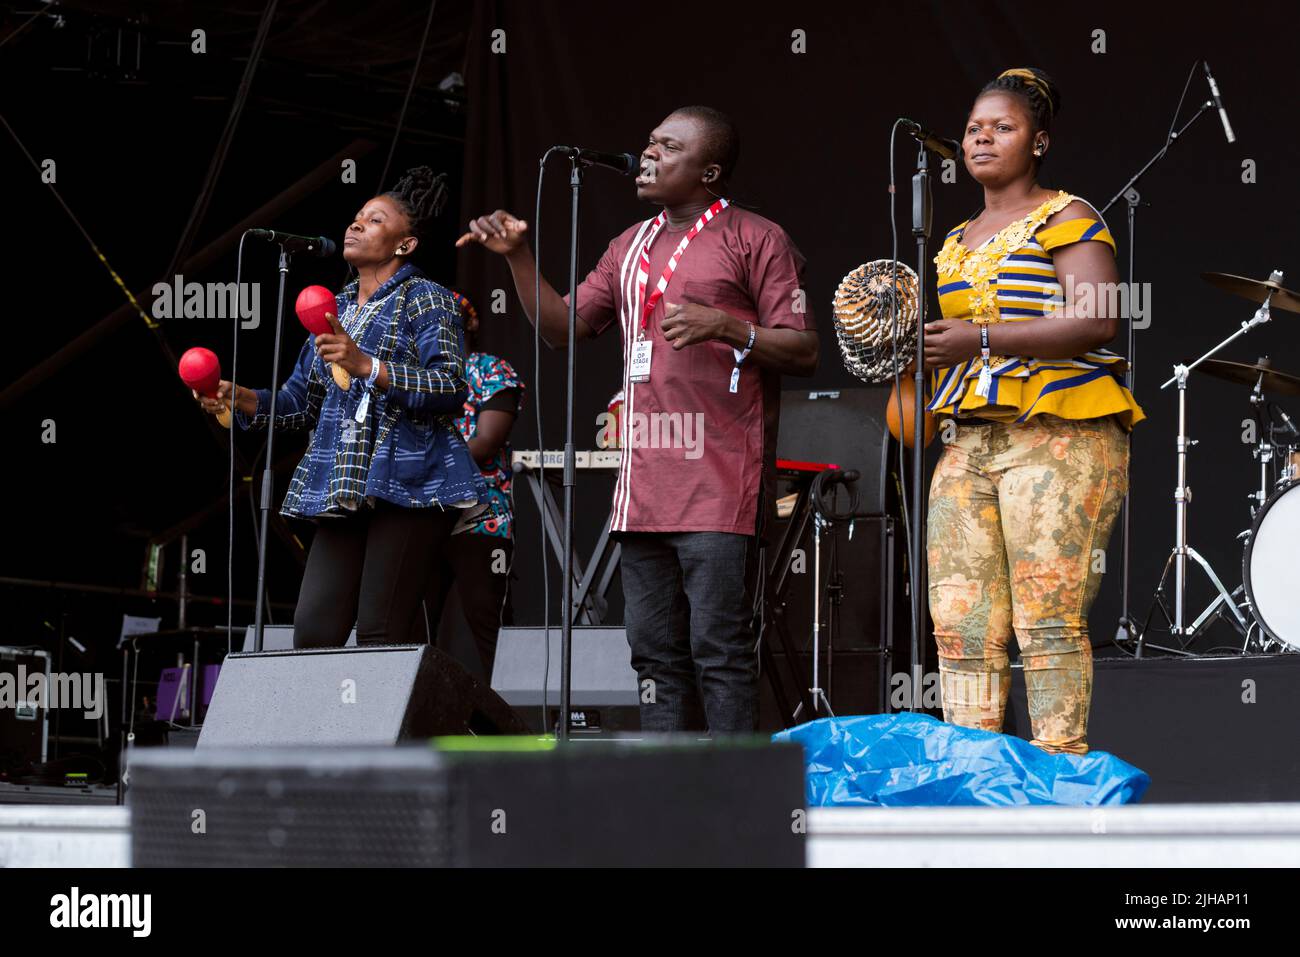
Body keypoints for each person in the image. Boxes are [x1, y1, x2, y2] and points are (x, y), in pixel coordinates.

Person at [457, 106, 819, 733]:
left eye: (668, 146)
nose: (648, 153)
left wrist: (726, 325)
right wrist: (518, 256)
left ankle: (738, 806)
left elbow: (805, 349)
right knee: (653, 658)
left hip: (719, 485)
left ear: (708, 171)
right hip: (642, 491)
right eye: (649, 141)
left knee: (721, 654)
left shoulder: (757, 237)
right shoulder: (629, 245)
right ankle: (668, 800)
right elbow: (561, 328)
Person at [921, 68, 1144, 754]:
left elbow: (1098, 319)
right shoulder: (954, 240)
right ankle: (976, 791)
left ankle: (1062, 789)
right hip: (971, 439)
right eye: (973, 128)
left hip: (1060, 436)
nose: (982, 137)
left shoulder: (1068, 214)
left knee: (1046, 622)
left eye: (1004, 126)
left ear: (1039, 141)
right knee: (960, 625)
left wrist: (979, 337)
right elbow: (958, 347)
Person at [195, 167, 486, 649]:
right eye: (356, 218)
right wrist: (240, 398)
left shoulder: (428, 299)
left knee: (379, 631)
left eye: (373, 220)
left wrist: (368, 364)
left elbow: (450, 387)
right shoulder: (336, 309)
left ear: (404, 245)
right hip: (344, 481)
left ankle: (393, 725)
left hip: (411, 482)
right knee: (313, 631)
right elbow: (298, 403)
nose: (355, 225)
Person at [412, 292, 524, 676]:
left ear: (468, 324)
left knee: (491, 625)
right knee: (414, 632)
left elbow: (485, 443)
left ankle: (512, 724)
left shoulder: (491, 370)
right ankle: (415, 722)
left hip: (481, 519)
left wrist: (419, 469)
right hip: (422, 517)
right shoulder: (417, 376)